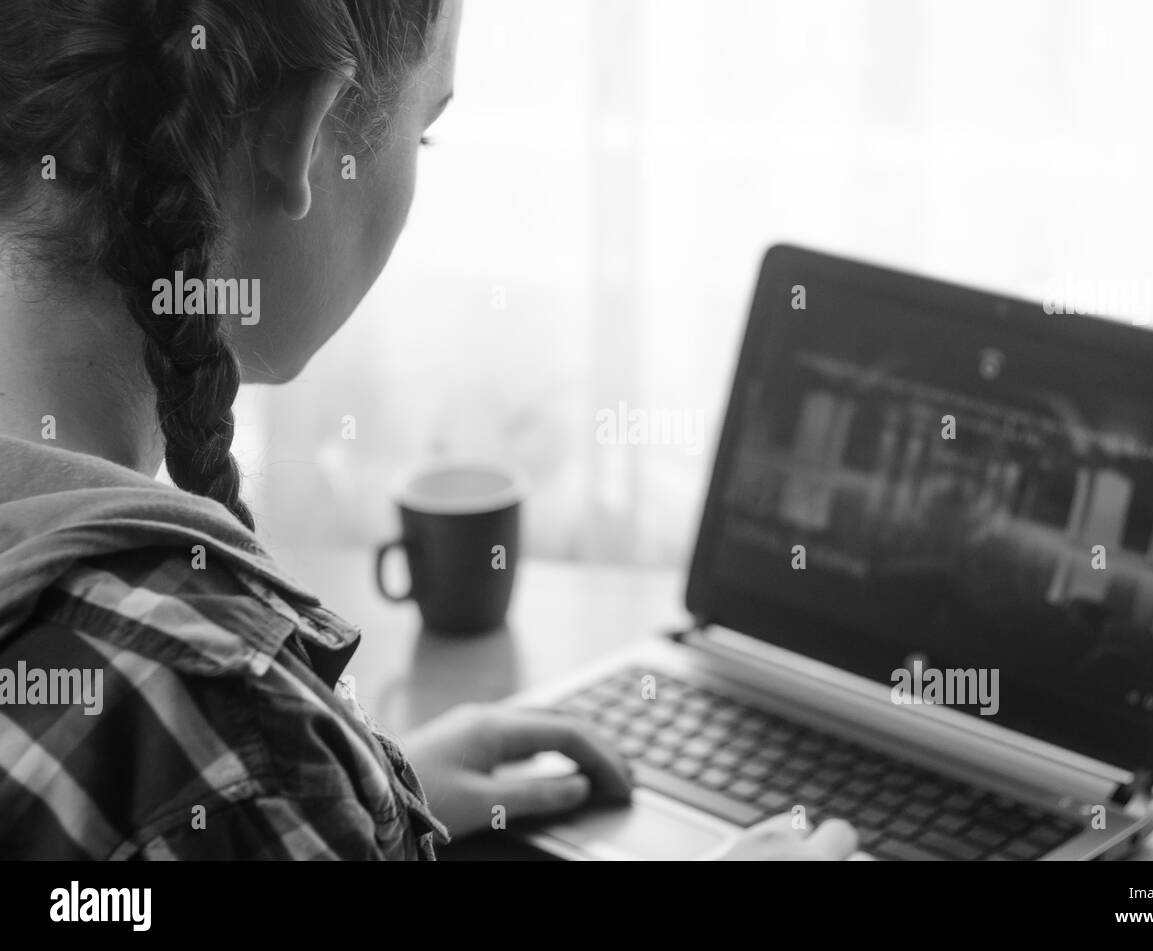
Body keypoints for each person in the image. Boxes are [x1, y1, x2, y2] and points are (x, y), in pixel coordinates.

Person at [0, 0, 859, 860]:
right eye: (425, 132)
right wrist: (287, 781)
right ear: (305, 135)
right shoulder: (209, 714)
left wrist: (358, 790)